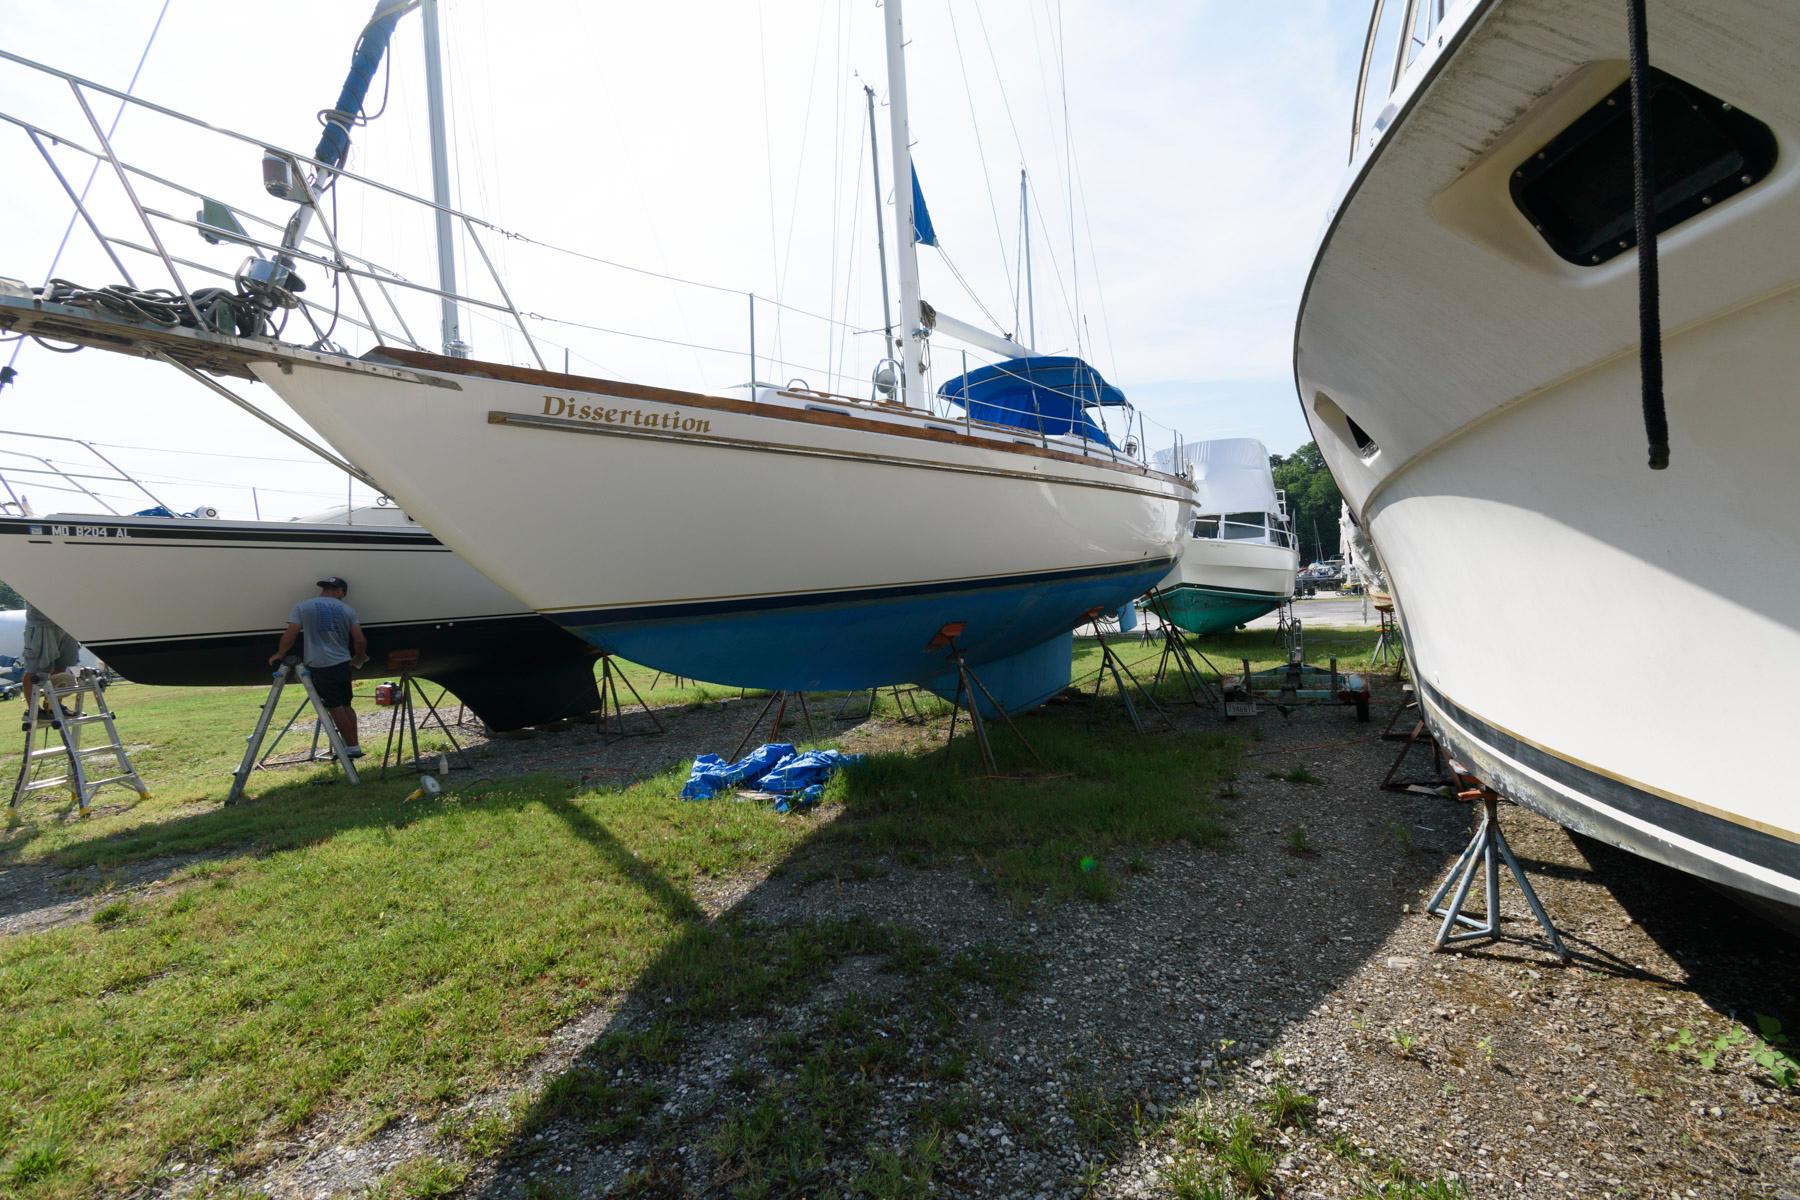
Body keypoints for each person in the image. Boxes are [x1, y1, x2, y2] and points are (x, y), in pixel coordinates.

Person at [270, 576, 369, 757]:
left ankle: (352, 747)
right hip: (342, 663)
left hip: (320, 664)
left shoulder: (303, 606)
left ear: (328, 590)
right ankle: (354, 745)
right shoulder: (348, 610)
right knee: (346, 704)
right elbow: (360, 639)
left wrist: (280, 653)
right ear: (340, 592)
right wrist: (359, 657)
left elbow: (290, 635)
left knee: (335, 707)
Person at [21, 600, 82, 728]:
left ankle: (55, 707)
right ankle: (34, 711)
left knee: (63, 668)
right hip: (42, 624)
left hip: (67, 623)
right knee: (35, 671)